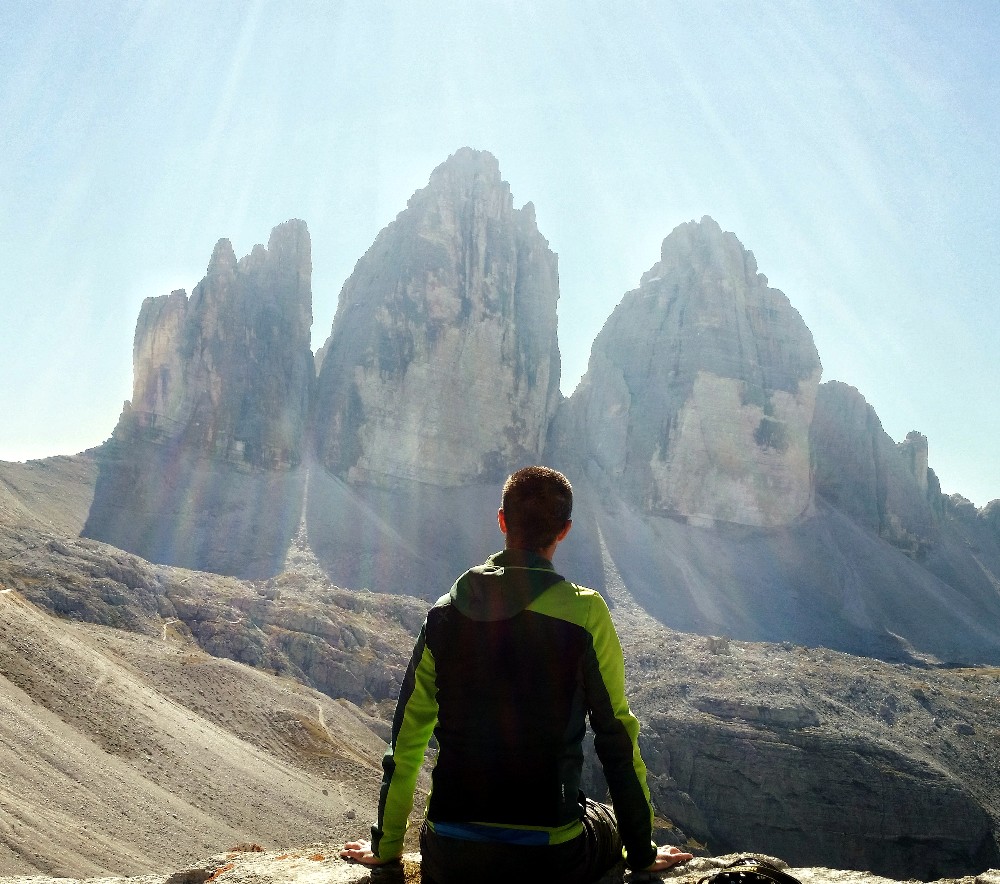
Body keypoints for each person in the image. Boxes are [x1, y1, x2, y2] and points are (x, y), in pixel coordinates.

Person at [341, 466, 692, 883]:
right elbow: (615, 737)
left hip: (451, 854)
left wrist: (385, 847)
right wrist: (642, 852)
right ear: (564, 531)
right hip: (550, 858)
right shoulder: (586, 613)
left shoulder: (442, 613)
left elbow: (406, 742)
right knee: (601, 818)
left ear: (502, 521)